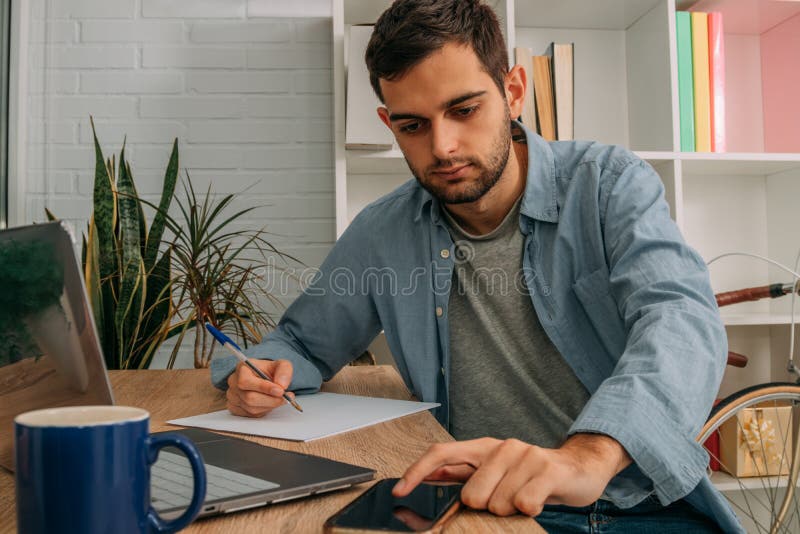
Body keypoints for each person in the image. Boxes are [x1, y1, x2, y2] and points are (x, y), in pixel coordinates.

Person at [210, 1, 741, 531]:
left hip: (639, 504)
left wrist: (588, 456)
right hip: (486, 510)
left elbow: (681, 320)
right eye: (413, 125)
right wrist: (257, 374)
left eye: (463, 110)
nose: (442, 147)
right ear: (387, 122)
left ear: (513, 91)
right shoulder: (382, 232)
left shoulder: (608, 185)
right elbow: (300, 343)